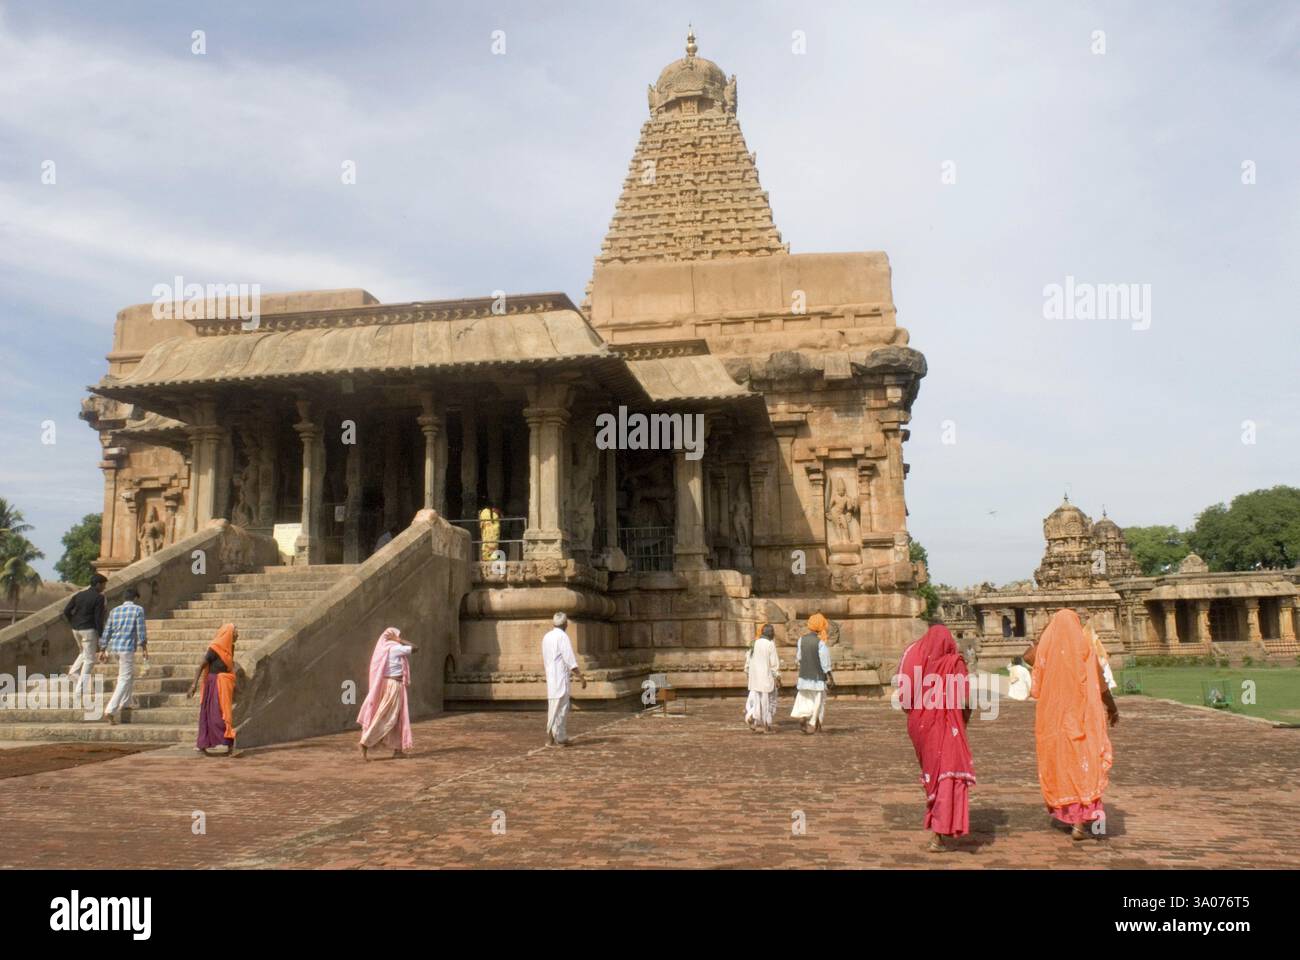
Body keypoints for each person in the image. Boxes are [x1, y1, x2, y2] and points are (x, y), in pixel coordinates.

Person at [1031, 608, 1119, 842]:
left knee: (1063, 765)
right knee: (1085, 763)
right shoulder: (1085, 648)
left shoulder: (1046, 650)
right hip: (1083, 718)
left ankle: (1071, 815)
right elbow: (1100, 682)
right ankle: (1081, 820)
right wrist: (1112, 707)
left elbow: (1036, 684)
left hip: (1055, 721)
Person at [897, 624, 976, 852]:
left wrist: (918, 716)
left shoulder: (913, 655)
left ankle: (938, 826)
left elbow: (904, 697)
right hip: (947, 725)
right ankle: (939, 834)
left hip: (920, 725)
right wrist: (962, 722)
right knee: (948, 775)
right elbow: (965, 700)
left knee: (933, 773)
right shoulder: (955, 662)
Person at [357, 627, 416, 760]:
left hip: (391, 684)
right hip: (393, 685)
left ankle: (398, 750)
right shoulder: (395, 648)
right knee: (388, 716)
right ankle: (365, 742)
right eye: (398, 635)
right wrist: (399, 640)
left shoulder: (382, 650)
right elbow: (415, 648)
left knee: (397, 718)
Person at [98, 587, 148, 724]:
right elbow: (141, 630)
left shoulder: (115, 611)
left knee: (127, 675)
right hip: (126, 648)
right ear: (135, 598)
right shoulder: (138, 610)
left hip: (114, 648)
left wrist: (102, 649)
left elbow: (107, 630)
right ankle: (110, 709)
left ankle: (126, 702)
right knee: (124, 678)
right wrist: (144, 647)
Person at [188, 623, 238, 756]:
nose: (237, 634)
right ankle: (204, 744)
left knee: (223, 715)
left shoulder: (230, 648)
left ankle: (228, 743)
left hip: (223, 685)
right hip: (213, 684)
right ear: (228, 633)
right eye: (235, 631)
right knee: (214, 716)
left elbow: (229, 666)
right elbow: (201, 666)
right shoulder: (215, 648)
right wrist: (193, 685)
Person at [542, 612, 585, 746]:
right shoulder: (562, 637)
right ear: (565, 624)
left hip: (551, 676)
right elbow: (569, 659)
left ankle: (558, 736)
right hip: (560, 677)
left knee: (554, 707)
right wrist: (580, 676)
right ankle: (553, 738)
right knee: (560, 708)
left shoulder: (546, 636)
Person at [63, 573, 107, 701]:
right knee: (89, 660)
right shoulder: (99, 598)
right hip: (88, 630)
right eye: (103, 584)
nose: (104, 587)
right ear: (98, 584)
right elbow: (99, 618)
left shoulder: (78, 595)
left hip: (76, 629)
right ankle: (79, 692)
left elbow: (66, 611)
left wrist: (73, 622)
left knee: (83, 653)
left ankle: (73, 672)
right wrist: (101, 636)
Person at [790, 613, 834, 734]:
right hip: (817, 678)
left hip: (804, 677)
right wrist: (830, 677)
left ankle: (803, 716)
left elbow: (799, 658)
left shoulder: (801, 640)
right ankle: (814, 724)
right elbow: (825, 663)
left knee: (804, 699)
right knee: (818, 702)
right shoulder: (820, 643)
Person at [743, 623, 781, 733]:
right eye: (773, 632)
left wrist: (748, 674)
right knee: (767, 702)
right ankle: (766, 727)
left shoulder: (754, 643)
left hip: (754, 680)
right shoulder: (770, 644)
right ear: (771, 633)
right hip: (766, 679)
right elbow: (774, 664)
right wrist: (778, 677)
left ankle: (752, 717)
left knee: (757, 701)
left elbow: (748, 661)